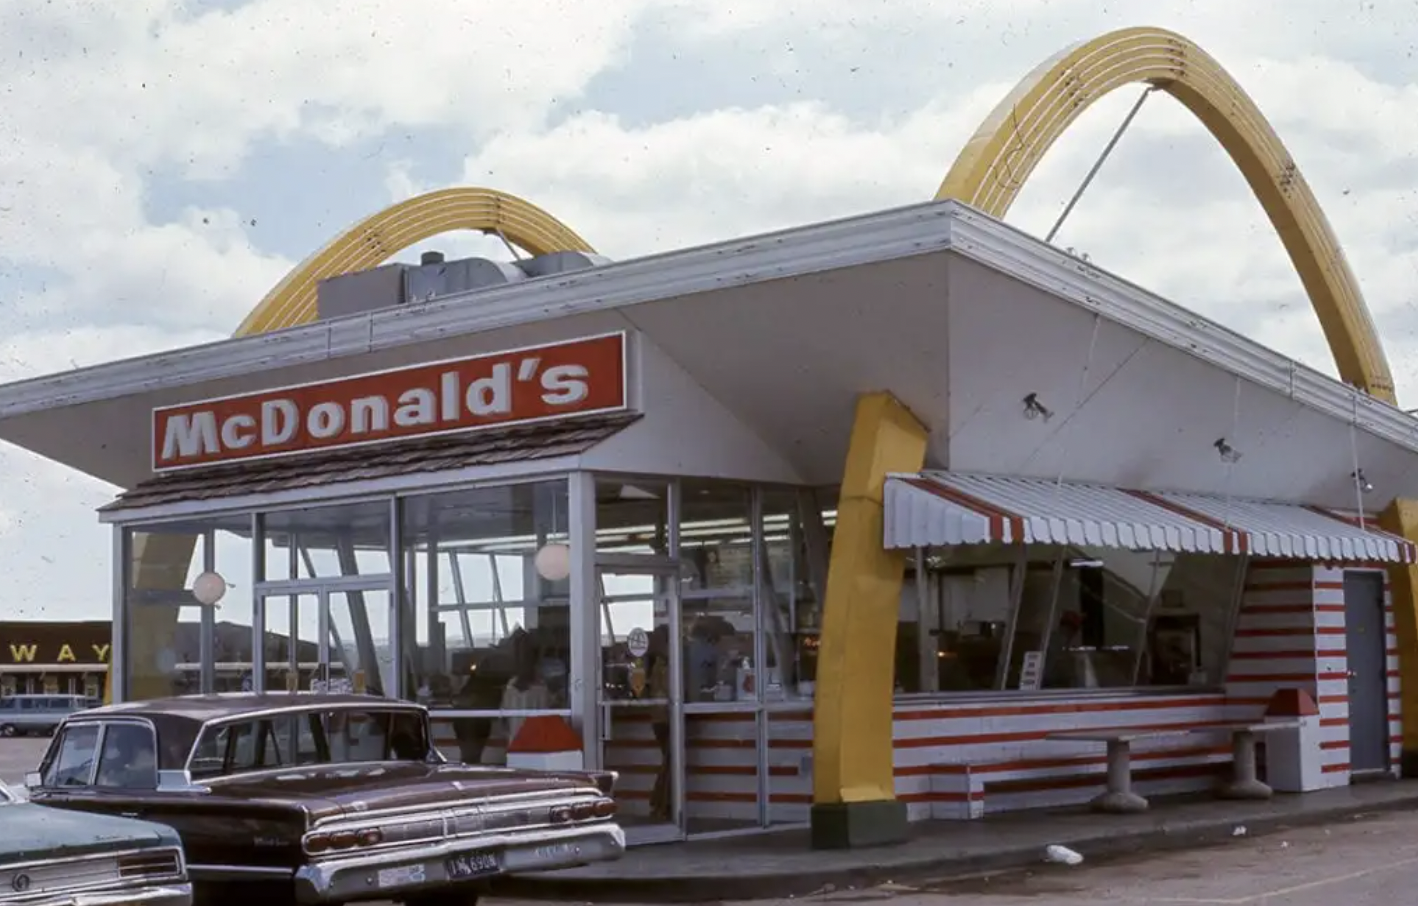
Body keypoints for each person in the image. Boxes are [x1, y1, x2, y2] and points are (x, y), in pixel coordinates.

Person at [646, 625, 673, 821]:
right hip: (666, 716)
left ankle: (660, 803)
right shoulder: (664, 663)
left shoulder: (655, 662)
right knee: (670, 763)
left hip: (659, 716)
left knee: (669, 762)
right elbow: (670, 688)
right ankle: (661, 804)